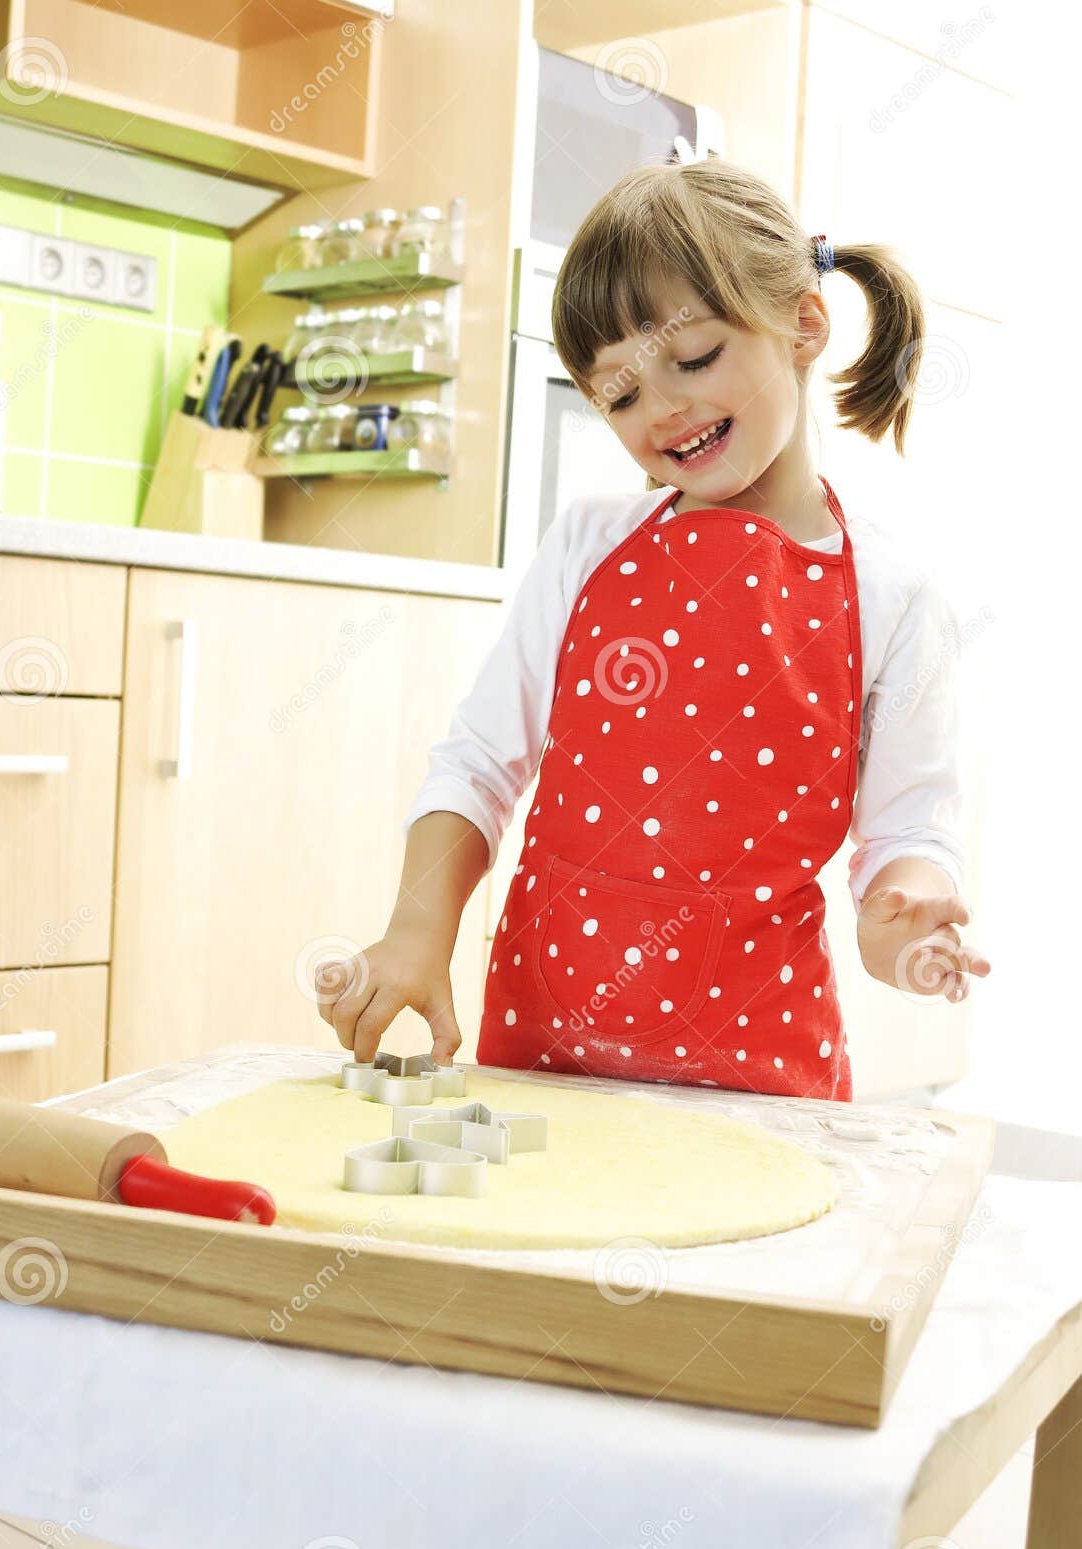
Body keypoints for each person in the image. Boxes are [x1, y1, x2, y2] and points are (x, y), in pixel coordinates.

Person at [318, 157, 989, 1102]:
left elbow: (909, 824)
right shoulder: (584, 547)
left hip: (764, 1078)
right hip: (543, 1053)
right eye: (621, 395)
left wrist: (903, 915)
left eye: (696, 358)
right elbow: (477, 763)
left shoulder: (893, 593)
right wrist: (418, 930)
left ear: (803, 323)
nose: (663, 410)